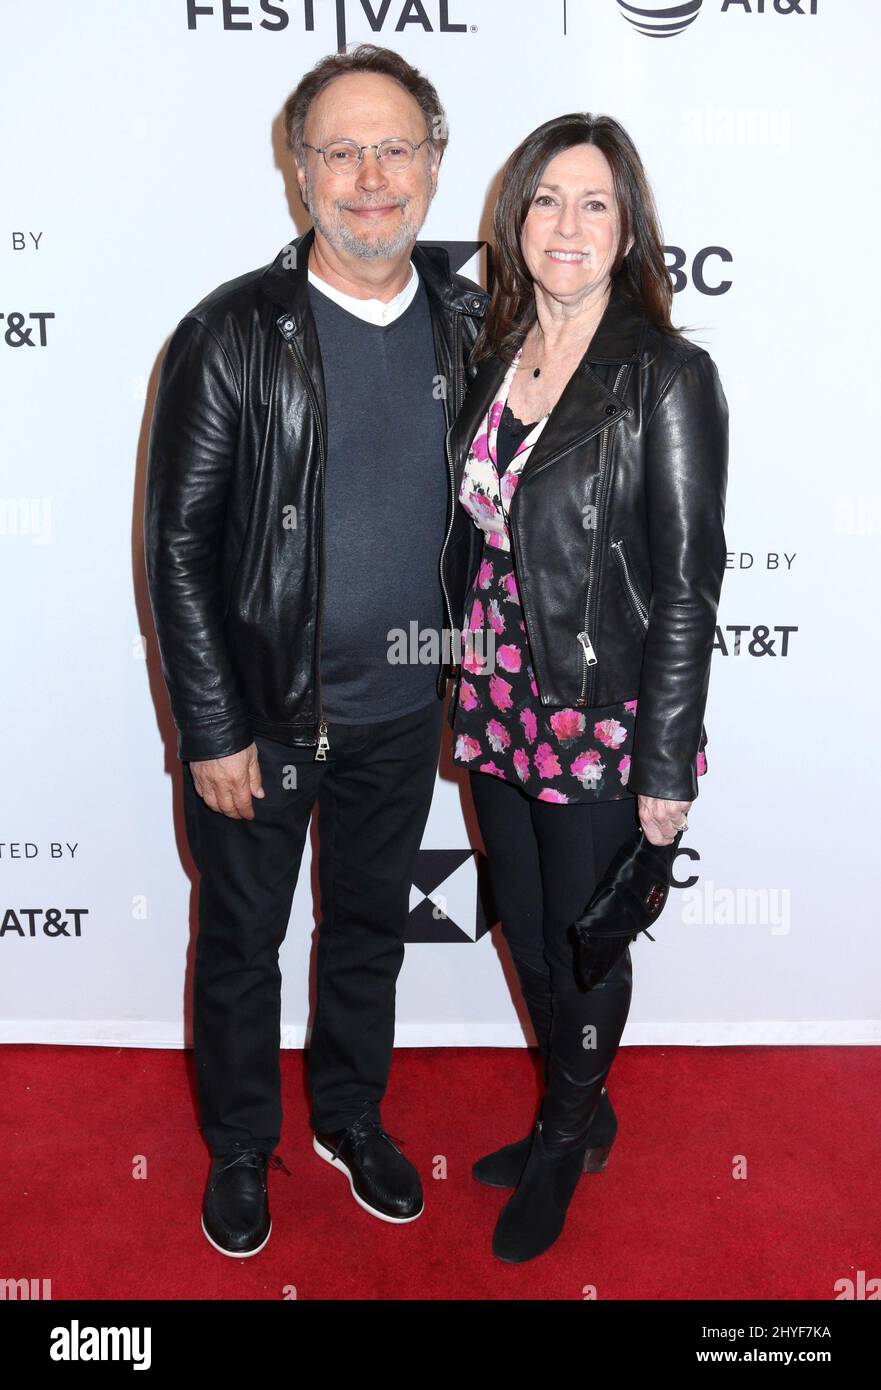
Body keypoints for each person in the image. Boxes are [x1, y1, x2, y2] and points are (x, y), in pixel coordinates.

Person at [144, 43, 488, 1257]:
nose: (369, 176)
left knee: (363, 934)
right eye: (338, 150)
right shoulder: (228, 332)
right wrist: (213, 724)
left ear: (435, 165)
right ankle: (242, 1146)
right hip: (265, 719)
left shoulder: (469, 325)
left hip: (402, 709)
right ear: (299, 174)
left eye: (395, 147)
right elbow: (176, 547)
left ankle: (348, 1115)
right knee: (239, 945)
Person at [440, 113, 729, 1263]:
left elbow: (686, 584)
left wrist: (664, 764)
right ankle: (586, 1103)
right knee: (524, 925)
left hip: (601, 713)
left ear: (626, 231)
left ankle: (565, 1135)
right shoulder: (492, 350)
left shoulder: (664, 374)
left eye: (594, 203)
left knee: (583, 944)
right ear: (515, 216)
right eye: (547, 198)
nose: (566, 223)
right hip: (501, 688)